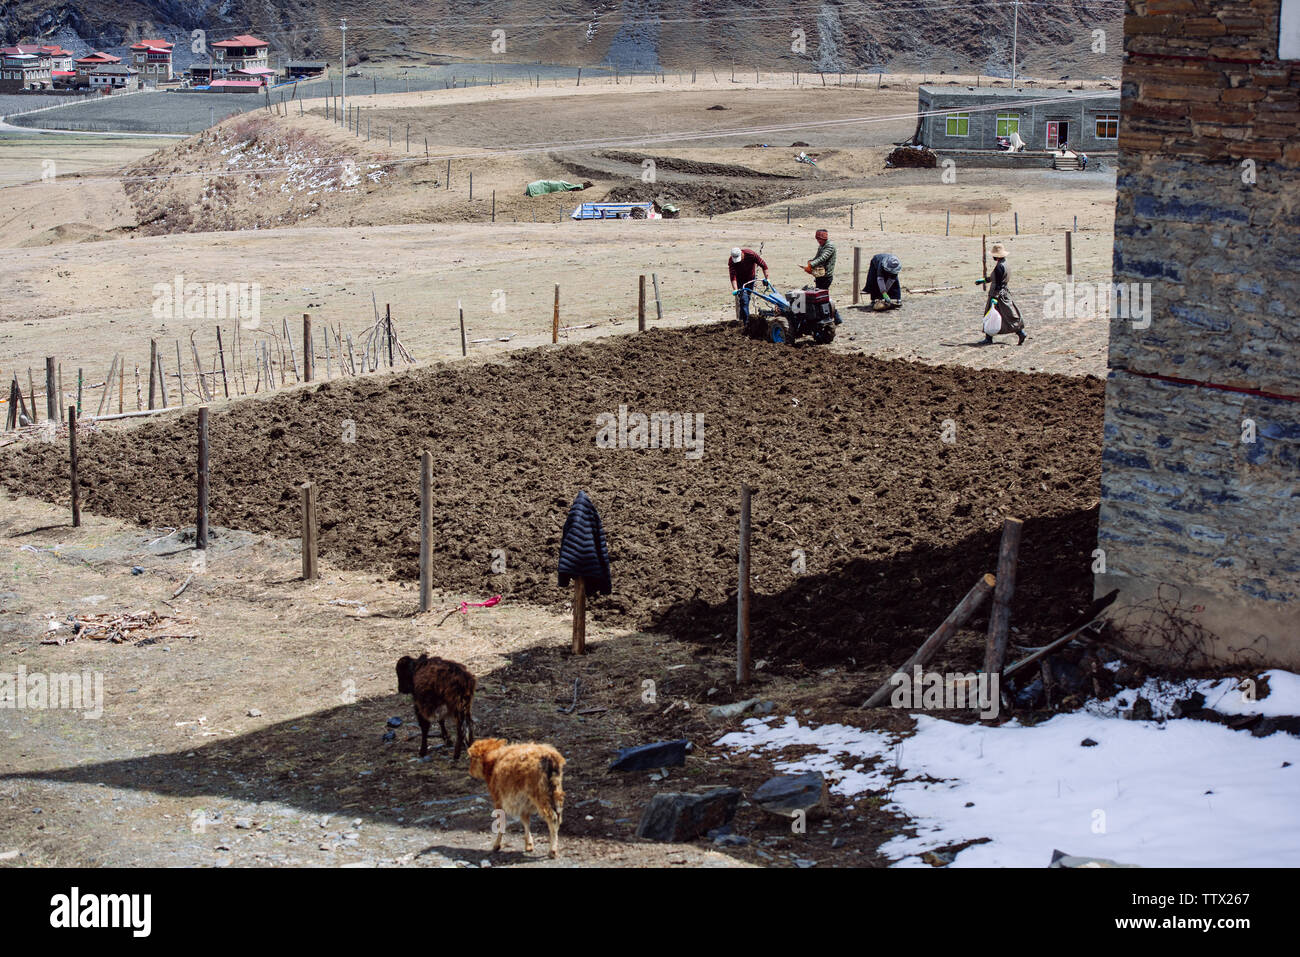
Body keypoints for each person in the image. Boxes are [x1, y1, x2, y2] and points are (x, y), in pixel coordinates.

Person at [975, 243, 1025, 345]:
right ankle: (1020, 332)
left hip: (997, 294)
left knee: (989, 314)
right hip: (1004, 293)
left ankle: (989, 338)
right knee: (1009, 314)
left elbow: (998, 283)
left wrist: (995, 297)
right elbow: (997, 279)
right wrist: (985, 280)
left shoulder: (999, 267)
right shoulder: (1005, 264)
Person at [729, 246, 769, 318]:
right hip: (740, 281)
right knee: (744, 300)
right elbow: (733, 276)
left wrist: (767, 279)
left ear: (742, 254)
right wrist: (735, 289)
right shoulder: (731, 261)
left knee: (746, 299)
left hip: (751, 279)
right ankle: (746, 323)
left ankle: (742, 319)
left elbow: (764, 265)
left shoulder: (750, 254)